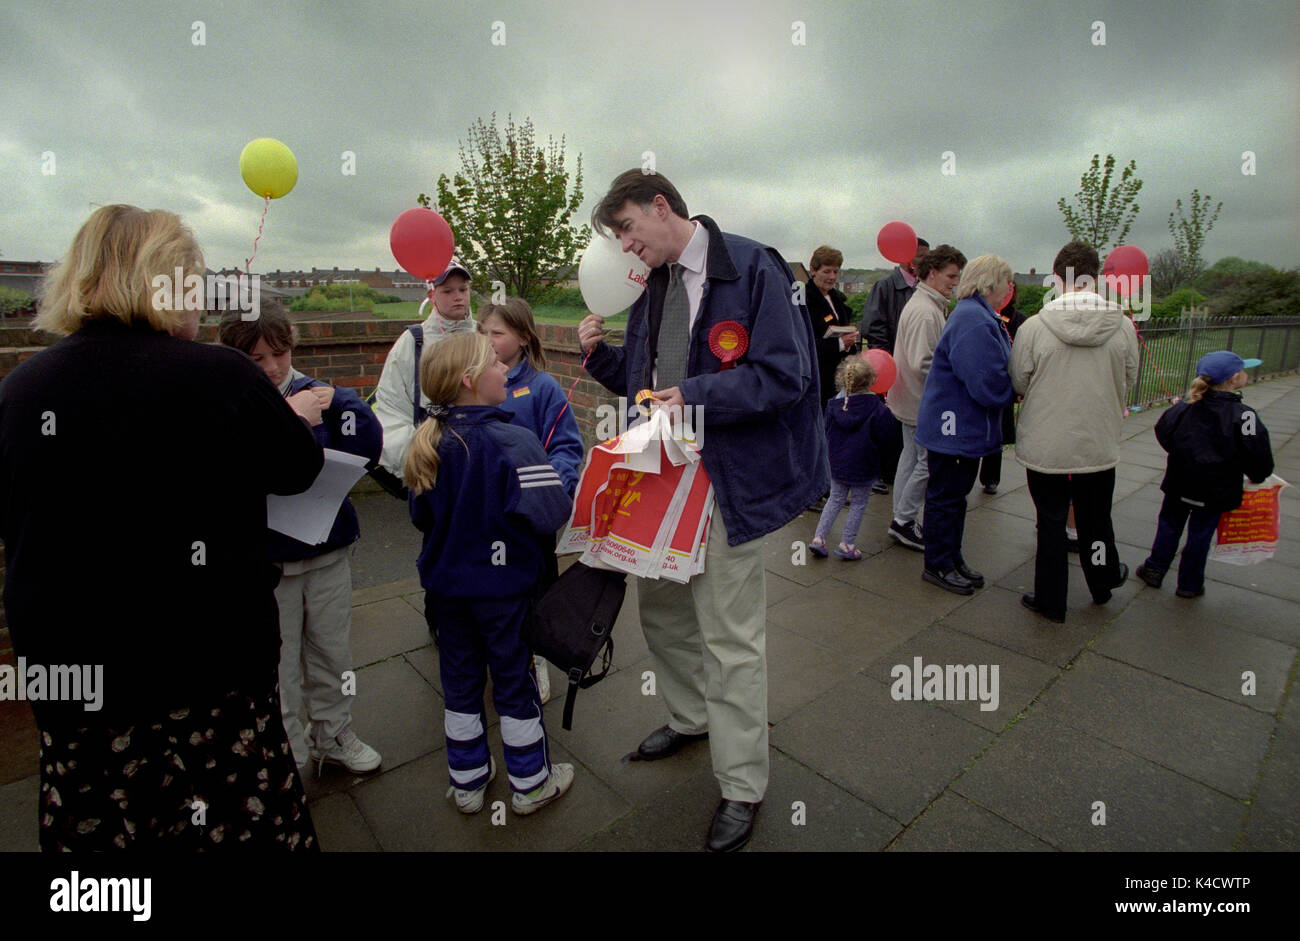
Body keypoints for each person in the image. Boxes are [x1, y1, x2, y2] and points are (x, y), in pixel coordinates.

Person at [0, 204, 323, 850]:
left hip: (79, 688)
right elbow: (297, 468)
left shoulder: (20, 390)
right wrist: (296, 418)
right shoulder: (219, 375)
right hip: (209, 672)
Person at [578, 170, 827, 852]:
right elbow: (648, 380)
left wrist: (693, 394)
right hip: (661, 472)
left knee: (730, 635)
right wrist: (601, 358)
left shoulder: (754, 267)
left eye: (627, 228)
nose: (625, 247)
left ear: (661, 207)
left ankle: (743, 783)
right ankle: (691, 717)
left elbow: (785, 376)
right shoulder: (653, 283)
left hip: (725, 478)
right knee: (660, 610)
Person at [406, 332, 575, 815]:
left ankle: (468, 781)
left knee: (459, 684)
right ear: (470, 380)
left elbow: (420, 517)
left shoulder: (427, 442)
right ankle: (531, 783)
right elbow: (551, 512)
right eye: (494, 364)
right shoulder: (515, 442)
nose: (504, 369)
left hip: (447, 592)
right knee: (514, 683)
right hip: (505, 594)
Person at [219, 303, 384, 776]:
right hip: (269, 563)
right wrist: (290, 423)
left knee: (332, 654)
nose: (273, 367)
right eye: (257, 358)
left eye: (280, 353)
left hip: (326, 550)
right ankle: (288, 750)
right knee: (279, 665)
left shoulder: (317, 393)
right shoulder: (229, 402)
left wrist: (344, 401)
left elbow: (368, 447)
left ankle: (334, 734)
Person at [1010, 240, 1139, 623]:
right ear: (1095, 277)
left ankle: (1051, 600)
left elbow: (1019, 380)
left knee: (1050, 521)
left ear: (1057, 277)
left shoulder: (1034, 328)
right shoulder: (1123, 327)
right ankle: (1101, 581)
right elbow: (1129, 377)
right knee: (1095, 518)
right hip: (1098, 438)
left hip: (1047, 440)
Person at [479, 297, 584, 704]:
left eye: (498, 333)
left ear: (523, 337)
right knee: (493, 592)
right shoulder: (472, 381)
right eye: (483, 332)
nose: (488, 340)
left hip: (529, 521)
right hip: (487, 518)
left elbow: (566, 448)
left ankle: (535, 658)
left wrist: (545, 494)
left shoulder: (543, 388)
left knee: (536, 593)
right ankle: (499, 657)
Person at [913, 254, 1016, 595]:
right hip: (954, 429)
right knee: (946, 499)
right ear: (989, 283)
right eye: (1006, 282)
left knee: (954, 499)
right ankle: (938, 564)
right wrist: (1012, 390)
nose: (1009, 289)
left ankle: (951, 558)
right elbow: (984, 381)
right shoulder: (974, 318)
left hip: (958, 427)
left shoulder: (976, 314)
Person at [1136, 351, 1273, 598]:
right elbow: (1256, 452)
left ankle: (1154, 569)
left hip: (1180, 482)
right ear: (1234, 378)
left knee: (1169, 525)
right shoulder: (1245, 416)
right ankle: (1189, 584)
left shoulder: (1185, 407)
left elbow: (1163, 430)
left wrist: (1181, 455)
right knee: (1201, 534)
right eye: (1243, 371)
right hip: (1216, 490)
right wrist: (1258, 474)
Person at [371, 256, 476, 489]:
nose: (458, 296)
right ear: (432, 295)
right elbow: (391, 406)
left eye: (463, 289)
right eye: (447, 291)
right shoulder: (412, 342)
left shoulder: (484, 336)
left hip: (478, 465)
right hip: (429, 468)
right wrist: (417, 461)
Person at [887, 244, 966, 551]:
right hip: (921, 401)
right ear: (932, 273)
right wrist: (957, 382)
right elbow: (924, 363)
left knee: (910, 458)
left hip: (909, 398)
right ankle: (904, 520)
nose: (955, 283)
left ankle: (901, 517)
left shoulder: (923, 303)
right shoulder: (926, 311)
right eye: (951, 276)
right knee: (926, 463)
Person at [809, 358, 896, 560]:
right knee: (858, 503)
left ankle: (819, 538)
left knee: (835, 499)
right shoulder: (877, 408)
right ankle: (847, 543)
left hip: (837, 462)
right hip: (864, 464)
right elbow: (886, 436)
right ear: (871, 381)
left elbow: (826, 430)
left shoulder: (834, 405)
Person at [864, 236, 928, 495]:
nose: (925, 262)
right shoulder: (885, 286)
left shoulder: (923, 288)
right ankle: (879, 472)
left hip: (911, 371)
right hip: (890, 368)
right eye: (921, 256)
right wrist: (888, 362)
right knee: (885, 423)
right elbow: (873, 326)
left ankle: (895, 472)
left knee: (904, 425)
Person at [978, 282, 1027, 494]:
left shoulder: (1019, 321)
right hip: (982, 381)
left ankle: (990, 478)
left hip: (1004, 384)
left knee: (996, 433)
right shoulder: (980, 315)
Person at [804, 245, 858, 409]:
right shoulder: (804, 301)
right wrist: (840, 344)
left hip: (841, 378)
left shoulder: (838, 299)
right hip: (819, 380)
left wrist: (850, 342)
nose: (832, 277)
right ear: (813, 270)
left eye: (835, 272)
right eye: (827, 271)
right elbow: (804, 344)